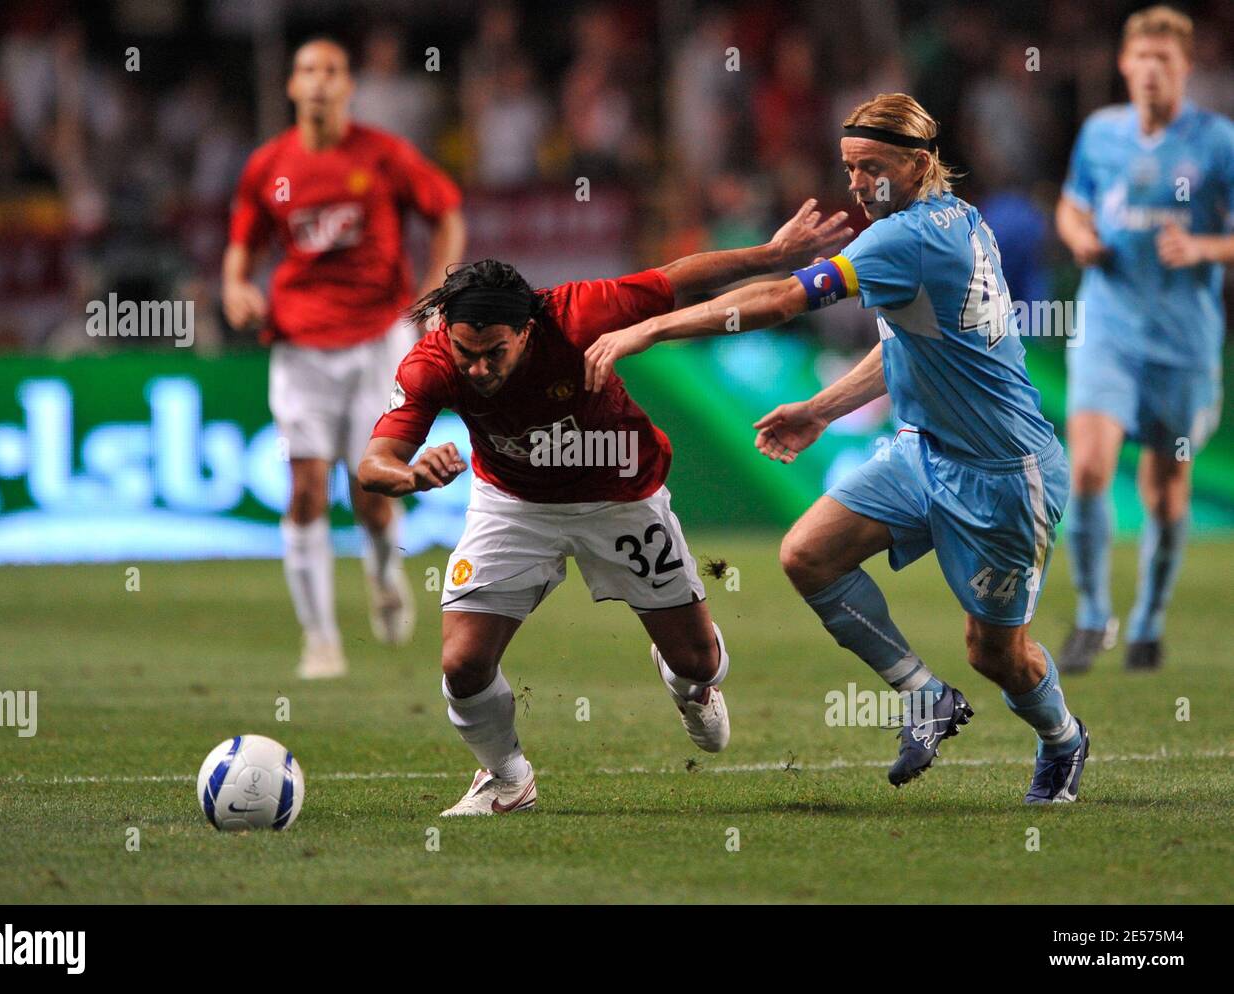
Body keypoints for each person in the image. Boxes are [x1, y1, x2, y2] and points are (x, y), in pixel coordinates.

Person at [585, 93, 1089, 804]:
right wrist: (821, 410)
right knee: (808, 555)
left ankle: (1063, 738)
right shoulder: (956, 220)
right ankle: (923, 696)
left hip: (1004, 472)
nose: (856, 184)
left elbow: (780, 302)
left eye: (871, 168)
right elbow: (914, 348)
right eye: (849, 167)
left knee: (995, 654)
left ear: (918, 165)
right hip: (924, 451)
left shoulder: (905, 238)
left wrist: (651, 329)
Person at [358, 202, 851, 816]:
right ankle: (507, 779)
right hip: (513, 504)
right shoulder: (431, 363)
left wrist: (771, 256)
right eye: (466, 352)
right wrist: (408, 474)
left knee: (697, 661)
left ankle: (687, 684)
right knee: (462, 662)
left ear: (528, 331)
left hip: (621, 495)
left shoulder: (579, 313)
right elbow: (372, 463)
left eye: (495, 353)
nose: (478, 368)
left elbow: (677, 277)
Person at [223, 37, 466, 678]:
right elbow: (240, 248)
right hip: (299, 346)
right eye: (308, 70)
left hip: (377, 342)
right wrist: (236, 287)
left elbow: (446, 212)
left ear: (348, 86)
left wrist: (435, 289)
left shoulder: (382, 156)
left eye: (332, 71)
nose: (320, 82)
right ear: (292, 87)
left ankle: (385, 573)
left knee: (370, 489)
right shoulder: (267, 167)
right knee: (304, 490)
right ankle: (320, 639)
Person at [1054, 5, 1234, 672]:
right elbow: (1073, 203)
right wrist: (1079, 238)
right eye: (1142, 59)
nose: (1152, 71)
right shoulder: (1100, 133)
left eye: (1166, 60)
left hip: (1183, 341)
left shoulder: (1217, 142)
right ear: (1125, 65)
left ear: (1185, 68)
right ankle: (1094, 615)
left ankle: (1150, 621)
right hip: (1108, 326)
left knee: (1165, 490)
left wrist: (1205, 245)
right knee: (1090, 468)